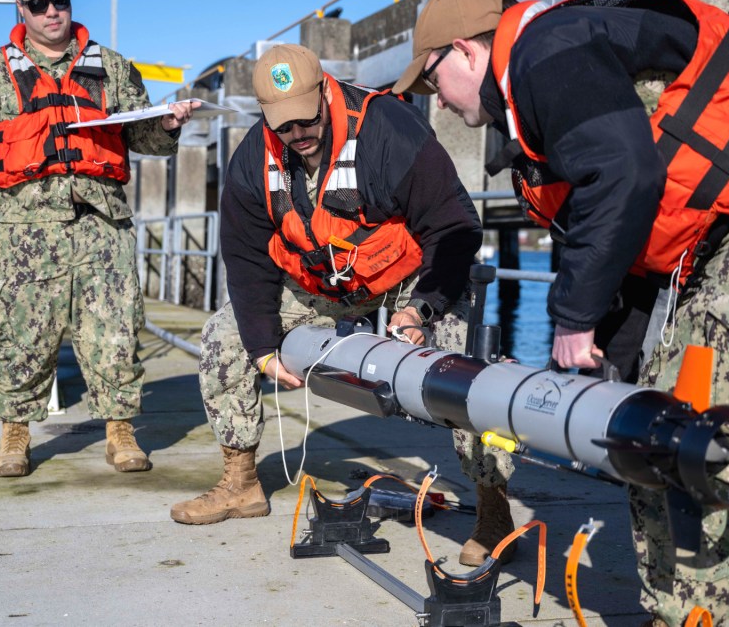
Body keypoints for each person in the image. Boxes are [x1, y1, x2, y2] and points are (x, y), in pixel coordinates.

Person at [393, 0, 729, 626]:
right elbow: (636, 235)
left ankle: (681, 615)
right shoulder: (537, 94)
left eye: (433, 78)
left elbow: (625, 173)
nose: (436, 101)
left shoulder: (544, 54)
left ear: (467, 51)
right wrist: (611, 366)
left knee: (684, 440)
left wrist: (573, 320)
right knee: (652, 426)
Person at [169, 43, 518, 567]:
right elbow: (245, 259)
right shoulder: (252, 159)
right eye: (283, 126)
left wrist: (422, 309)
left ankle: (492, 508)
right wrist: (265, 348)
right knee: (226, 333)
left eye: (307, 119)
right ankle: (240, 482)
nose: (297, 134)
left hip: (409, 276)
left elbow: (456, 226)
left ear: (325, 90)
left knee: (463, 373)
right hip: (324, 281)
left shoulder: (388, 130)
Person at [0, 0, 199, 478]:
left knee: (114, 329)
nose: (52, 11)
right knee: (23, 334)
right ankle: (15, 436)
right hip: (26, 229)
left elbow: (144, 137)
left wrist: (170, 124)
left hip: (102, 223)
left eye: (60, 0)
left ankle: (120, 431)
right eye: (40, 4)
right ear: (22, 8)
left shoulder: (114, 68)